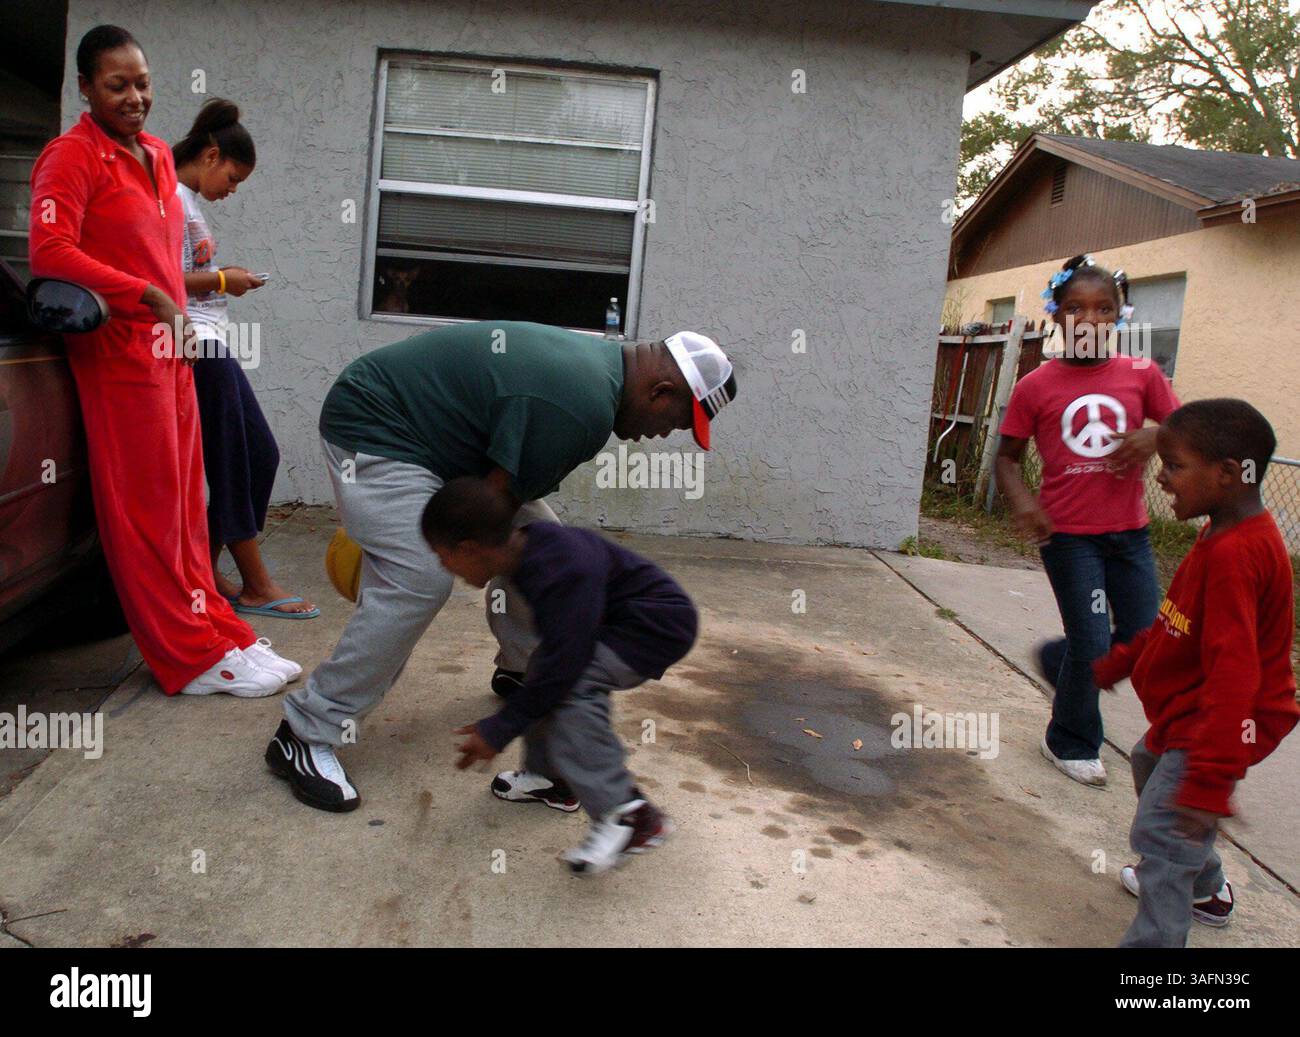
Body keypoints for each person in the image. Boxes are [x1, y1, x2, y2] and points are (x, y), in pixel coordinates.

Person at [264, 324, 736, 811]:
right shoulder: (583, 406)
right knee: (420, 580)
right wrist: (442, 552)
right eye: (677, 423)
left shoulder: (598, 378)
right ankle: (305, 731)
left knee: (545, 549)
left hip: (439, 443)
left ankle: (524, 672)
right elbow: (486, 517)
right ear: (661, 391)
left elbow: (501, 501)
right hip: (380, 425)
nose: (659, 436)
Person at [27, 24, 297, 698]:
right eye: (116, 85)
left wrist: (170, 301)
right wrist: (148, 294)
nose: (135, 96)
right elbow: (50, 253)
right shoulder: (71, 156)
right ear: (86, 88)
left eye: (142, 81)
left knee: (183, 505)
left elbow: (163, 256)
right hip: (118, 354)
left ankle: (216, 632)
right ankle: (184, 656)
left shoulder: (152, 154)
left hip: (171, 354)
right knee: (146, 512)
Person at [1093, 399, 1298, 946]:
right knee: (1146, 761)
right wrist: (1120, 661)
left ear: (1227, 474)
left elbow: (1236, 674)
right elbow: (1173, 619)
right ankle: (1206, 888)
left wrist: (1209, 782)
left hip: (1226, 718)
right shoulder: (1218, 533)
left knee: (1162, 831)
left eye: (1175, 465)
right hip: (1193, 707)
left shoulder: (1238, 554)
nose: (1161, 478)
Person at [421, 477, 697, 874]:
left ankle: (628, 814)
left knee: (570, 687)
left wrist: (500, 728)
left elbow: (566, 665)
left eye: (440, 555)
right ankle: (551, 778)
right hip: (620, 620)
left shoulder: (559, 568)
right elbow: (556, 654)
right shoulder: (528, 553)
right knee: (542, 671)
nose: (441, 566)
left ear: (468, 549)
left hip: (654, 629)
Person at [995, 254, 1181, 787]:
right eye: (1076, 308)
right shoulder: (1037, 385)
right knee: (1095, 643)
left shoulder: (1143, 375)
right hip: (1068, 536)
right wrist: (1022, 501)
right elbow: (1007, 456)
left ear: (1120, 318)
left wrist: (1156, 436)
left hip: (1131, 534)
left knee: (1146, 635)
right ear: (1057, 315)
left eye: (1104, 309)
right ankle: (1070, 740)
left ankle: (1060, 660)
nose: (1090, 320)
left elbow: (1188, 428)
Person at [173, 98, 318, 620]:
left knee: (260, 454)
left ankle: (205, 575)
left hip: (212, 341)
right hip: (195, 347)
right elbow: (151, 279)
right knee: (237, 460)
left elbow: (185, 274)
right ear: (211, 155)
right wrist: (219, 281)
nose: (231, 191)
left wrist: (222, 278)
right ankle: (256, 584)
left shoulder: (188, 201)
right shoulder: (167, 196)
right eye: (232, 178)